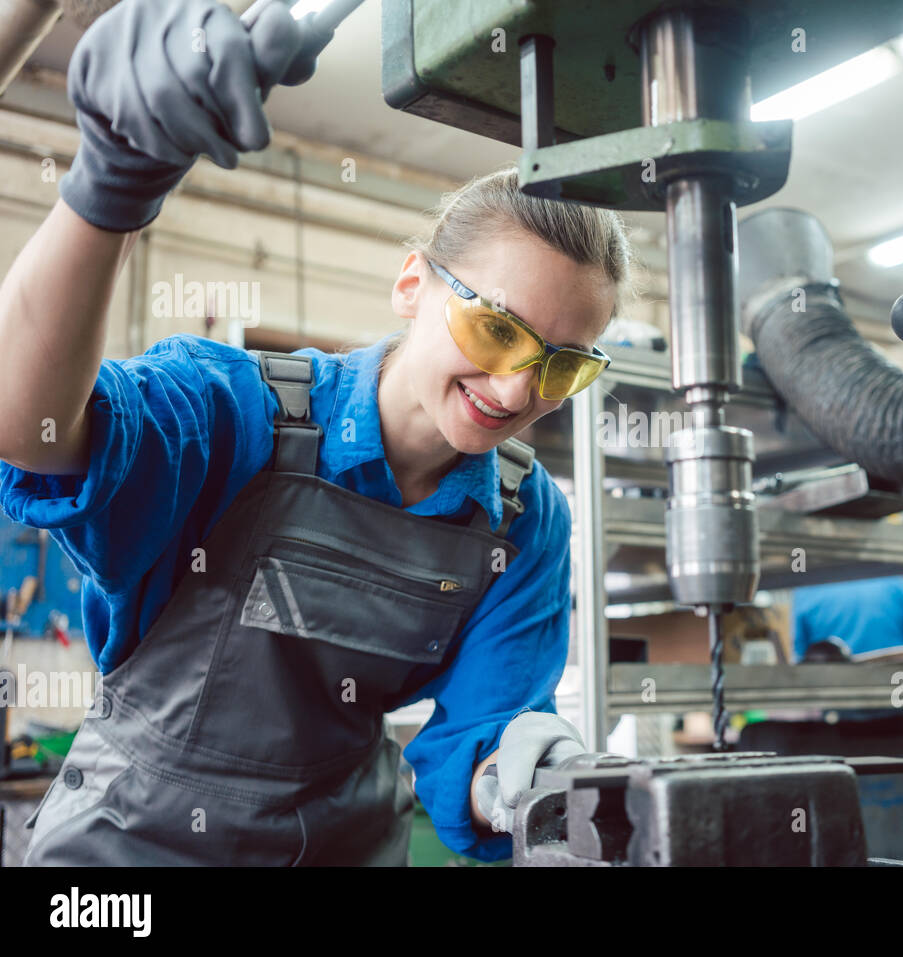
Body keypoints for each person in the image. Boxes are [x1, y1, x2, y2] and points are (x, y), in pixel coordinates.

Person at [0, 0, 631, 864]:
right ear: (414, 283)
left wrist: (519, 777)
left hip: (342, 844)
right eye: (495, 327)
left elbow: (485, 725)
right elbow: (29, 430)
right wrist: (108, 186)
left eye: (562, 366)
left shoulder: (524, 518)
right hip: (133, 851)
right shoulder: (238, 412)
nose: (518, 387)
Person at [792, 577, 903, 662]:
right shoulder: (893, 581)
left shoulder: (807, 590)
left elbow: (801, 652)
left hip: (836, 700)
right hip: (897, 693)